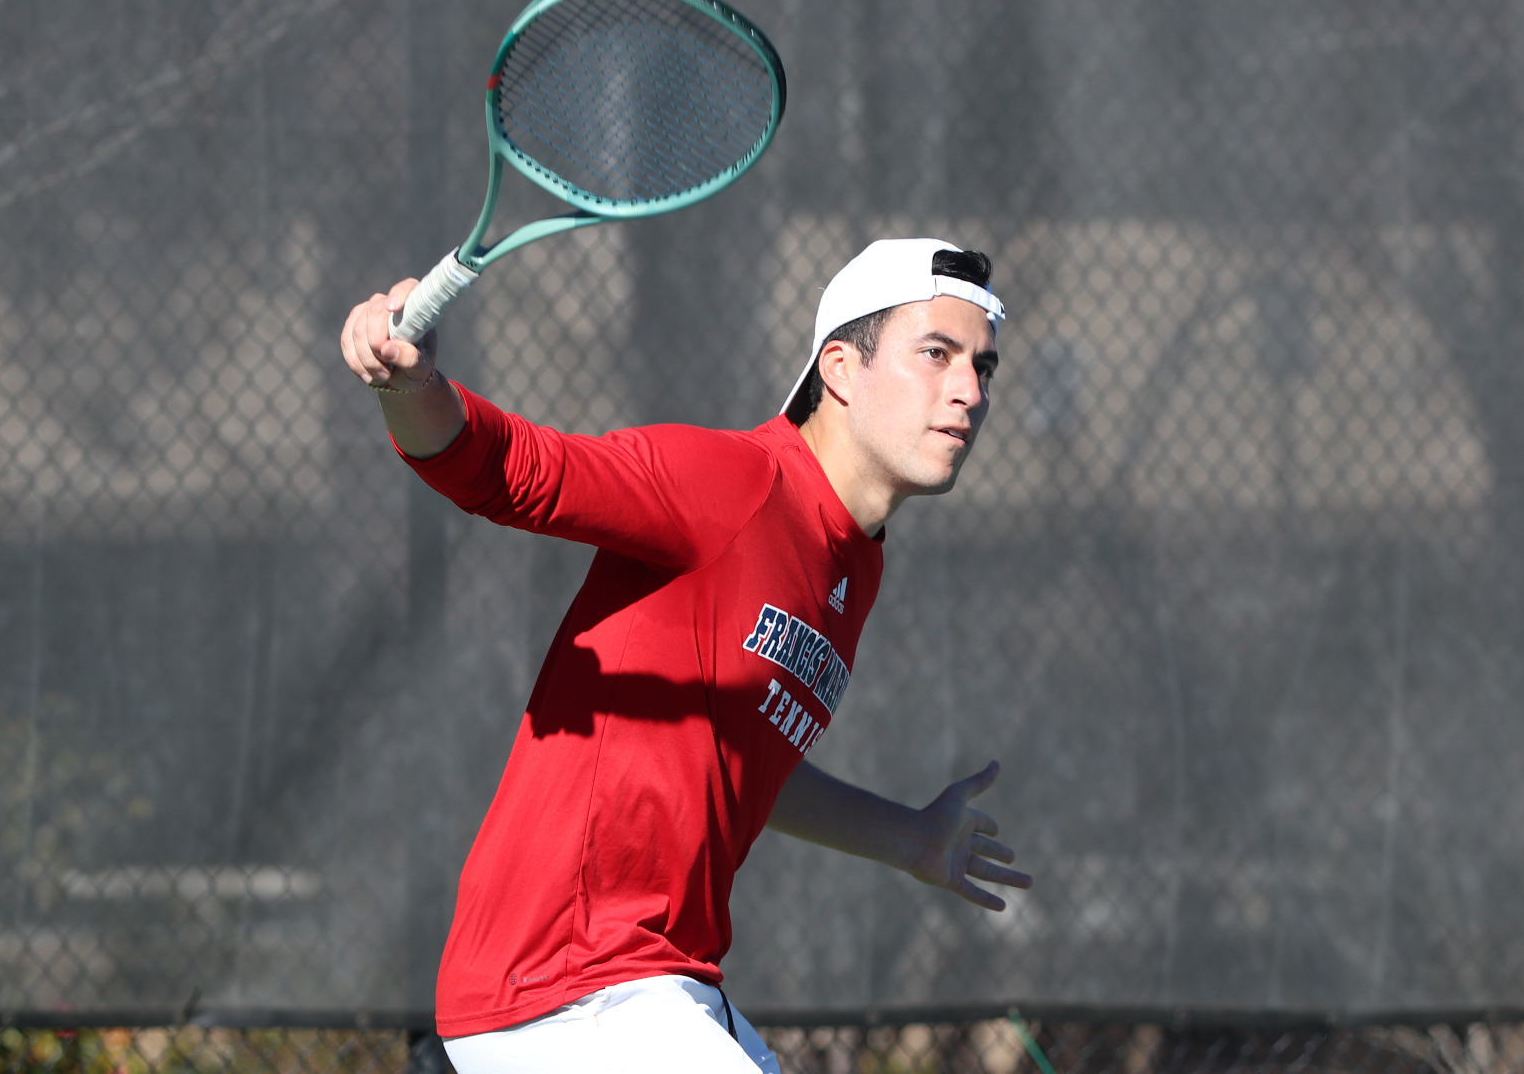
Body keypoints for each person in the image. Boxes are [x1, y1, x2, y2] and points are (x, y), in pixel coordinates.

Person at [337, 238, 1033, 1073]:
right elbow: (503, 468)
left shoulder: (855, 562)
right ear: (842, 369)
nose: (969, 390)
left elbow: (747, 764)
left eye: (983, 367)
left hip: (659, 985)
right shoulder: (730, 480)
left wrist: (912, 839)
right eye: (936, 354)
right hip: (566, 983)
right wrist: (411, 384)